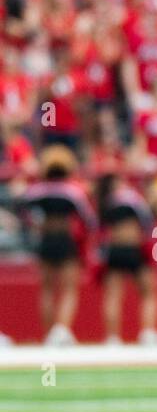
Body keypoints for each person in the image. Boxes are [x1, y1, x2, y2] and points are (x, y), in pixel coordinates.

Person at [23, 146, 96, 346]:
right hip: (65, 240)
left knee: (46, 288)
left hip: (46, 240)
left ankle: (49, 334)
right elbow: (89, 220)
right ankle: (61, 329)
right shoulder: (72, 192)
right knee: (69, 288)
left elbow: (26, 215)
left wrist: (38, 226)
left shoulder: (36, 191)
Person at [96, 173, 157, 345]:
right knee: (148, 292)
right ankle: (148, 332)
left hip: (114, 248)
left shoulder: (105, 202)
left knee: (113, 294)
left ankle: (112, 337)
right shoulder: (132, 198)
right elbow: (147, 221)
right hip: (134, 248)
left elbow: (98, 227)